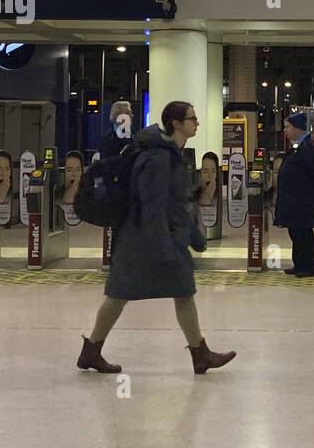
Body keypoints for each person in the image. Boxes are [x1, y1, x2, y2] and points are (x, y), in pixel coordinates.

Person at [77, 101, 236, 376]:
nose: (196, 123)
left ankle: (200, 354)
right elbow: (152, 206)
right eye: (192, 118)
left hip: (151, 239)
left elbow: (175, 204)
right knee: (120, 295)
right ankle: (92, 350)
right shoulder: (159, 159)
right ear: (176, 123)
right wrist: (165, 248)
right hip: (146, 241)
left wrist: (195, 236)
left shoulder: (169, 154)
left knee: (177, 291)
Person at [275, 112, 314, 277]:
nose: (285, 130)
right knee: (295, 233)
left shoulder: (307, 147)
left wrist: (313, 191)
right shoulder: (298, 146)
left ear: (297, 128)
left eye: (288, 127)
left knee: (303, 233)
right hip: (293, 200)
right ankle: (299, 264)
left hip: (302, 201)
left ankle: (308, 267)